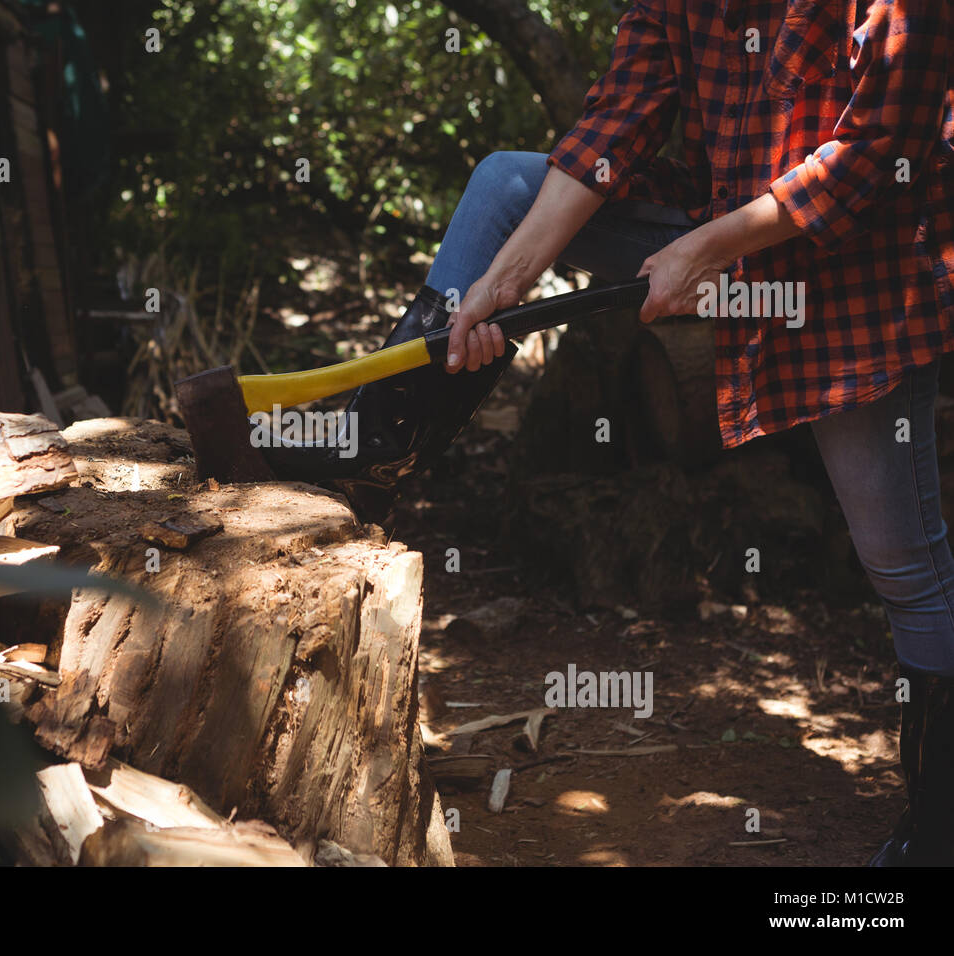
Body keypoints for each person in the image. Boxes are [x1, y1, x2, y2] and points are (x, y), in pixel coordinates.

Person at [268, 0, 954, 864]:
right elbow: (614, 126)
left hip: (862, 270)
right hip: (725, 211)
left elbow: (876, 154)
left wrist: (707, 251)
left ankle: (937, 830)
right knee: (506, 185)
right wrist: (500, 284)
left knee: (903, 564)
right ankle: (378, 442)